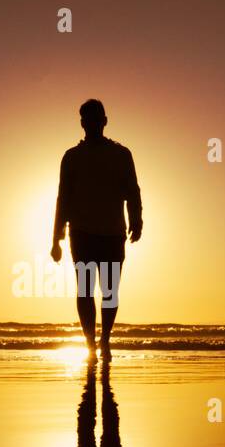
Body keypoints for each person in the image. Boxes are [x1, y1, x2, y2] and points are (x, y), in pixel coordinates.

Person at [50, 99, 142, 361]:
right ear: (82, 123)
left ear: (104, 121)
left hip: (113, 233)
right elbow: (63, 198)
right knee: (85, 290)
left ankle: (105, 341)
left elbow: (132, 189)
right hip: (82, 233)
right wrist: (57, 238)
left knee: (110, 292)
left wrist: (137, 219)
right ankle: (90, 343)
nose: (92, 123)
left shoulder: (121, 154)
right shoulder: (72, 157)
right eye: (87, 119)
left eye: (96, 118)